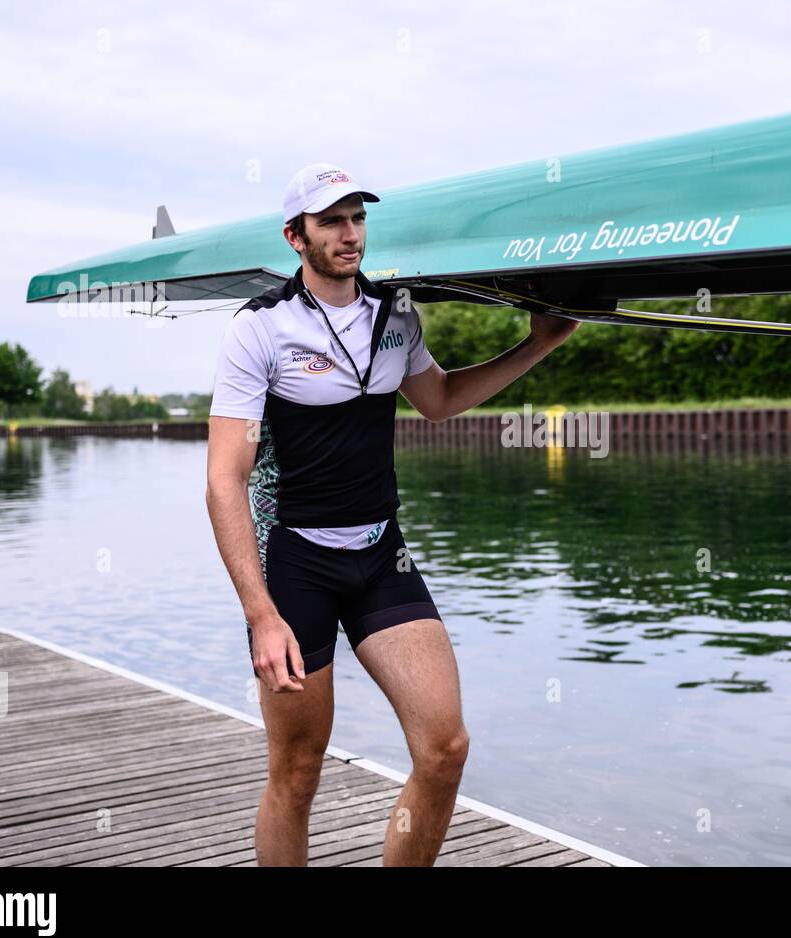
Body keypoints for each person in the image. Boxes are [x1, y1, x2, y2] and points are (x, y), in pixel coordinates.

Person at [205, 163, 577, 866]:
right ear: (296, 237)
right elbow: (225, 481)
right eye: (332, 222)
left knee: (444, 748)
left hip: (382, 556)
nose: (351, 234)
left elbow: (437, 400)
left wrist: (537, 344)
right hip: (294, 564)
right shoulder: (258, 330)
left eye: (358, 218)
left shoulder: (395, 316)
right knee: (298, 769)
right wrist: (261, 614)